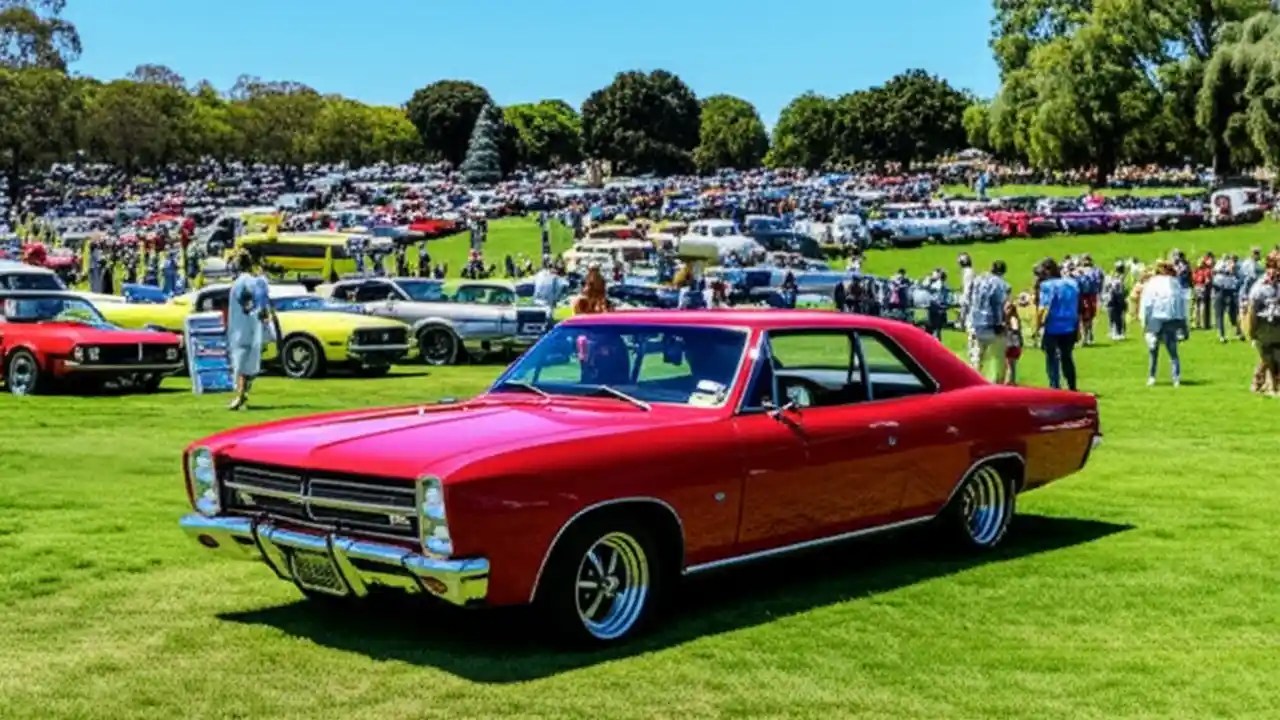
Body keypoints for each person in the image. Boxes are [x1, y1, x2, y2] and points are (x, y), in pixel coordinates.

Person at [227, 253, 270, 411]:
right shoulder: (253, 280)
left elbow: (246, 298)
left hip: (242, 327)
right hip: (251, 326)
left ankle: (239, 397)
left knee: (240, 365)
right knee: (246, 365)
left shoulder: (243, 281)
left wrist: (248, 306)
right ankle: (242, 394)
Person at [1139, 260, 1188, 387]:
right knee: (1170, 350)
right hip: (1169, 318)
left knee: (1154, 349)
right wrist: (1182, 322)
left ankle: (1153, 377)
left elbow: (1146, 303)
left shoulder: (1153, 283)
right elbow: (1182, 305)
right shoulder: (1175, 283)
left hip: (1157, 318)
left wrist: (1144, 321)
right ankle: (1174, 378)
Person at [1036, 258, 1080, 391]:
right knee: (1067, 356)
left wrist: (1037, 325)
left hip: (1053, 326)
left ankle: (1055, 385)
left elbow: (1043, 308)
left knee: (1051, 357)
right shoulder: (1072, 283)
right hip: (1070, 325)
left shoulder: (1047, 286)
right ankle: (1072, 385)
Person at [965, 260, 1010, 382]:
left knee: (976, 356)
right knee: (998, 357)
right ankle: (997, 382)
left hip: (976, 322)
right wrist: (999, 323)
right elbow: (997, 305)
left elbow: (968, 298)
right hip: (992, 324)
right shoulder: (1002, 284)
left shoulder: (978, 280)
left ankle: (972, 380)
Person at [1244, 250, 1280, 396]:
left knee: (1270, 357)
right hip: (1266, 325)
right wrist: (1252, 332)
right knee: (1271, 358)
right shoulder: (1260, 285)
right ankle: (1270, 387)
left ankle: (1261, 383)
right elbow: (1252, 309)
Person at [1212, 254, 1244, 343]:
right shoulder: (1219, 267)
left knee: (1234, 313)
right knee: (1220, 314)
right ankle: (1221, 335)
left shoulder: (1236, 269)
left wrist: (1234, 271)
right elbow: (1215, 275)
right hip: (1220, 290)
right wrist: (1225, 270)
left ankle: (1239, 332)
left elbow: (1239, 278)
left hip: (1231, 290)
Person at [1075, 254, 1104, 345]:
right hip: (1092, 296)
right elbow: (1100, 282)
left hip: (1082, 296)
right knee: (1089, 317)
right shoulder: (1096, 270)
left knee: (1083, 318)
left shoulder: (1078, 271)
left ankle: (1085, 337)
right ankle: (1089, 334)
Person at [1103, 260, 1129, 340]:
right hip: (1116, 298)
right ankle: (1116, 332)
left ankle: (1118, 332)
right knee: (1117, 316)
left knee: (1116, 316)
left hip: (1115, 298)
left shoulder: (1117, 277)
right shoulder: (1120, 277)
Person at [1003, 299, 1023, 385]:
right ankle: (1011, 381)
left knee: (1010, 364)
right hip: (1011, 343)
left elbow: (1015, 330)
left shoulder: (1012, 318)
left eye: (1008, 308)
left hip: (1012, 344)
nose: (1007, 310)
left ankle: (1009, 381)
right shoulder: (1008, 318)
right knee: (1010, 365)